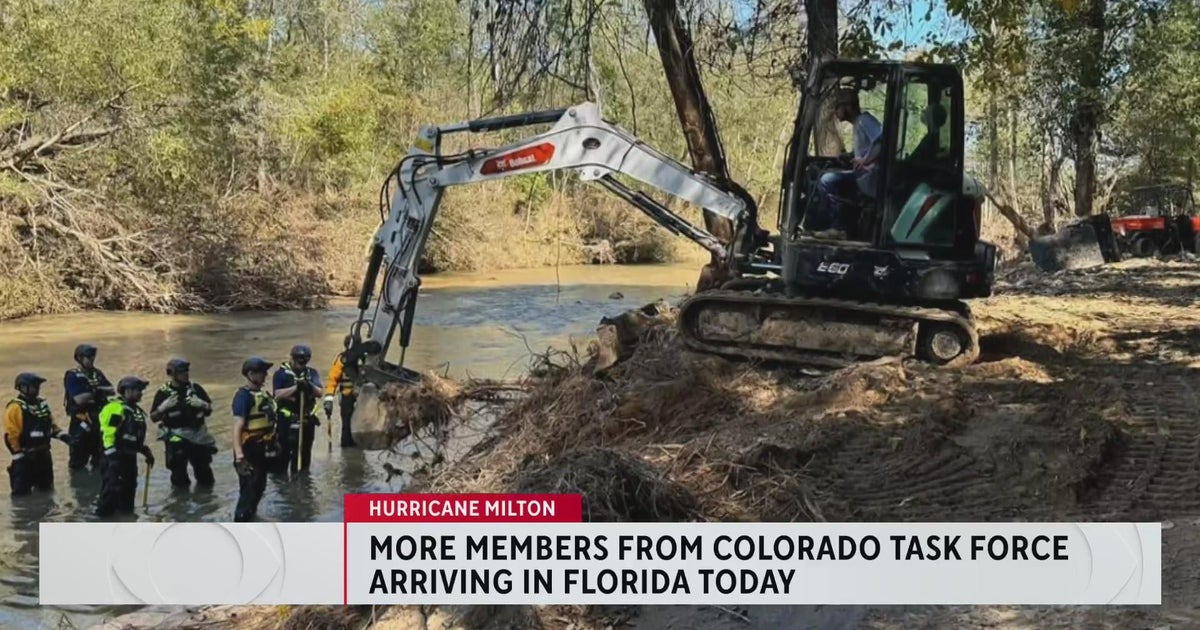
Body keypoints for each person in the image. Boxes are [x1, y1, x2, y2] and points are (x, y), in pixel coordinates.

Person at [810, 87, 884, 238]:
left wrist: (865, 160)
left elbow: (881, 141)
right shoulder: (858, 124)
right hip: (864, 174)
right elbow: (867, 147)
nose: (836, 113)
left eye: (838, 107)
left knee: (826, 180)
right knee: (824, 175)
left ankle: (839, 228)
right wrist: (850, 155)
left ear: (848, 107)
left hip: (869, 177)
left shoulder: (865, 120)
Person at [149, 358, 217, 489]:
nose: (186, 374)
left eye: (186, 371)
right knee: (178, 475)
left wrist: (203, 404)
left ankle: (206, 500)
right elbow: (153, 417)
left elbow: (209, 410)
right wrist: (162, 408)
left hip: (198, 435)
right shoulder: (163, 393)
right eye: (181, 372)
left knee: (205, 473)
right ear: (172, 374)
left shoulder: (195, 389)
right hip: (176, 437)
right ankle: (180, 502)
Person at [95, 376, 155, 517]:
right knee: (110, 495)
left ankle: (126, 522)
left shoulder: (136, 411)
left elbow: (132, 436)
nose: (140, 393)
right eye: (137, 390)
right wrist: (112, 457)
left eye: (141, 390)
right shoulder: (115, 408)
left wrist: (145, 451)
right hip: (114, 459)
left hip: (129, 458)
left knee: (128, 496)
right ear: (126, 391)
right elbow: (108, 433)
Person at [5, 373, 73, 496]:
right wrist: (19, 456)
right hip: (26, 457)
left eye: (37, 386)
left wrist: (65, 437)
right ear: (22, 388)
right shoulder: (15, 408)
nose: (37, 389)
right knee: (21, 494)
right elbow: (11, 435)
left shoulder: (42, 405)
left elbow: (51, 427)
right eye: (33, 386)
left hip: (44, 456)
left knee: (46, 491)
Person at [232, 357, 281, 522]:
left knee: (259, 486)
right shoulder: (243, 396)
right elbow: (237, 427)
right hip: (248, 451)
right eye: (262, 372)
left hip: (262, 448)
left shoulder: (263, 395)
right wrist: (239, 457)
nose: (265, 375)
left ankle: (251, 516)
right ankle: (241, 521)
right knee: (249, 489)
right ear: (251, 374)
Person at [273, 344, 324, 474]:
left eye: (303, 363)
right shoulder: (281, 374)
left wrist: (308, 386)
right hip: (287, 421)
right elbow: (277, 394)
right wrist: (295, 388)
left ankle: (303, 482)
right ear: (292, 359)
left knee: (304, 455)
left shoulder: (311, 373)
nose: (301, 365)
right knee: (283, 455)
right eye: (298, 362)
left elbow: (319, 392)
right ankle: (283, 486)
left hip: (306, 420)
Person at [63, 343, 115, 471]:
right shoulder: (72, 375)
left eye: (93, 357)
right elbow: (79, 399)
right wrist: (97, 391)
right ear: (79, 358)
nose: (92, 360)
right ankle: (79, 487)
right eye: (88, 357)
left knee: (101, 458)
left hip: (99, 420)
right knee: (78, 461)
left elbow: (112, 390)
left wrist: (92, 391)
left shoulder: (97, 373)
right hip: (81, 422)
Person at [323, 335, 363, 448]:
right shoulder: (342, 360)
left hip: (361, 398)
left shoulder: (364, 359)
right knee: (347, 425)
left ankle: (358, 448)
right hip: (347, 397)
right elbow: (332, 380)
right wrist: (329, 399)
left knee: (361, 425)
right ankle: (347, 450)